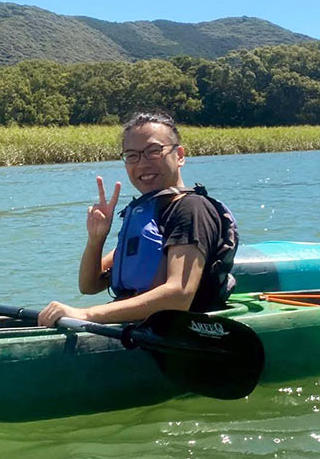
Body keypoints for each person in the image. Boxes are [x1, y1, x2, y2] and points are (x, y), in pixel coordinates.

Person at [37, 111, 238, 327]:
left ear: (179, 155)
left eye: (153, 151)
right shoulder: (148, 215)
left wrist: (85, 315)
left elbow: (179, 294)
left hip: (176, 333)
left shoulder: (190, 209)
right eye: (132, 155)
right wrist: (96, 239)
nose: (142, 164)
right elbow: (89, 285)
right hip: (134, 326)